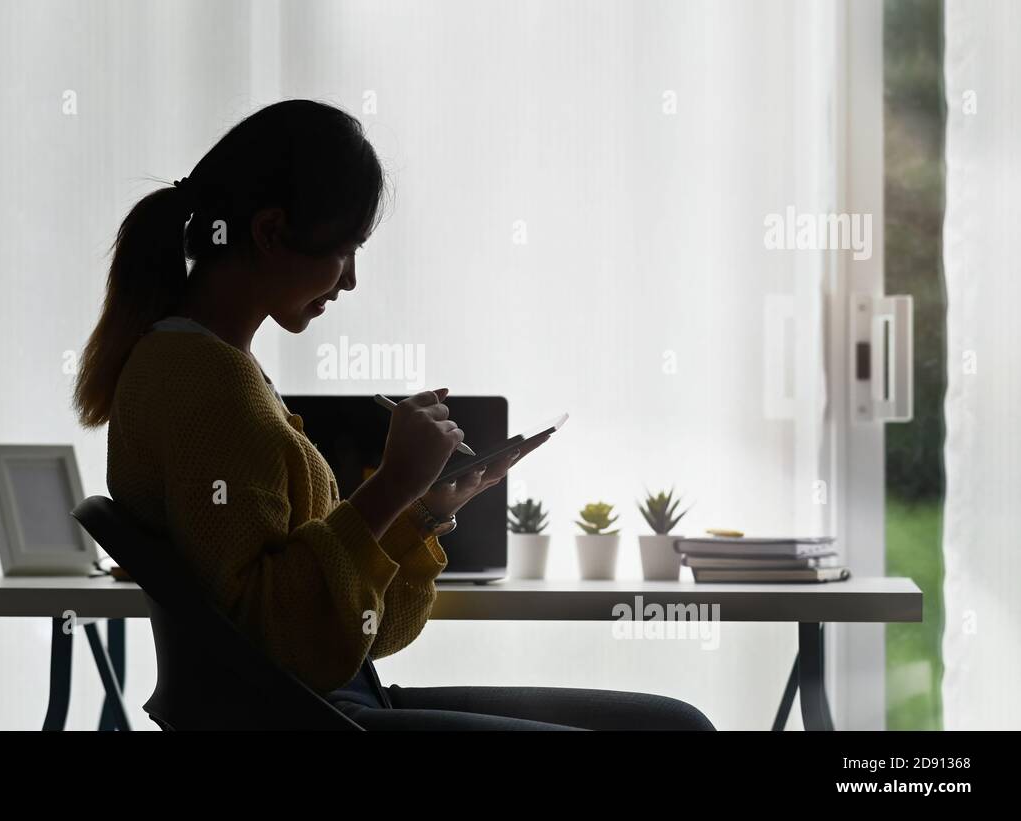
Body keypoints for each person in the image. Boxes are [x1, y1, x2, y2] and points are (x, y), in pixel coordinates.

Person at [73, 99, 714, 730]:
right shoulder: (211, 390)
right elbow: (281, 639)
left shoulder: (200, 366)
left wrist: (421, 511)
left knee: (676, 725)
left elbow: (363, 634)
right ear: (270, 232)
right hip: (304, 715)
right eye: (345, 250)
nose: (348, 281)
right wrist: (390, 488)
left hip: (327, 699)